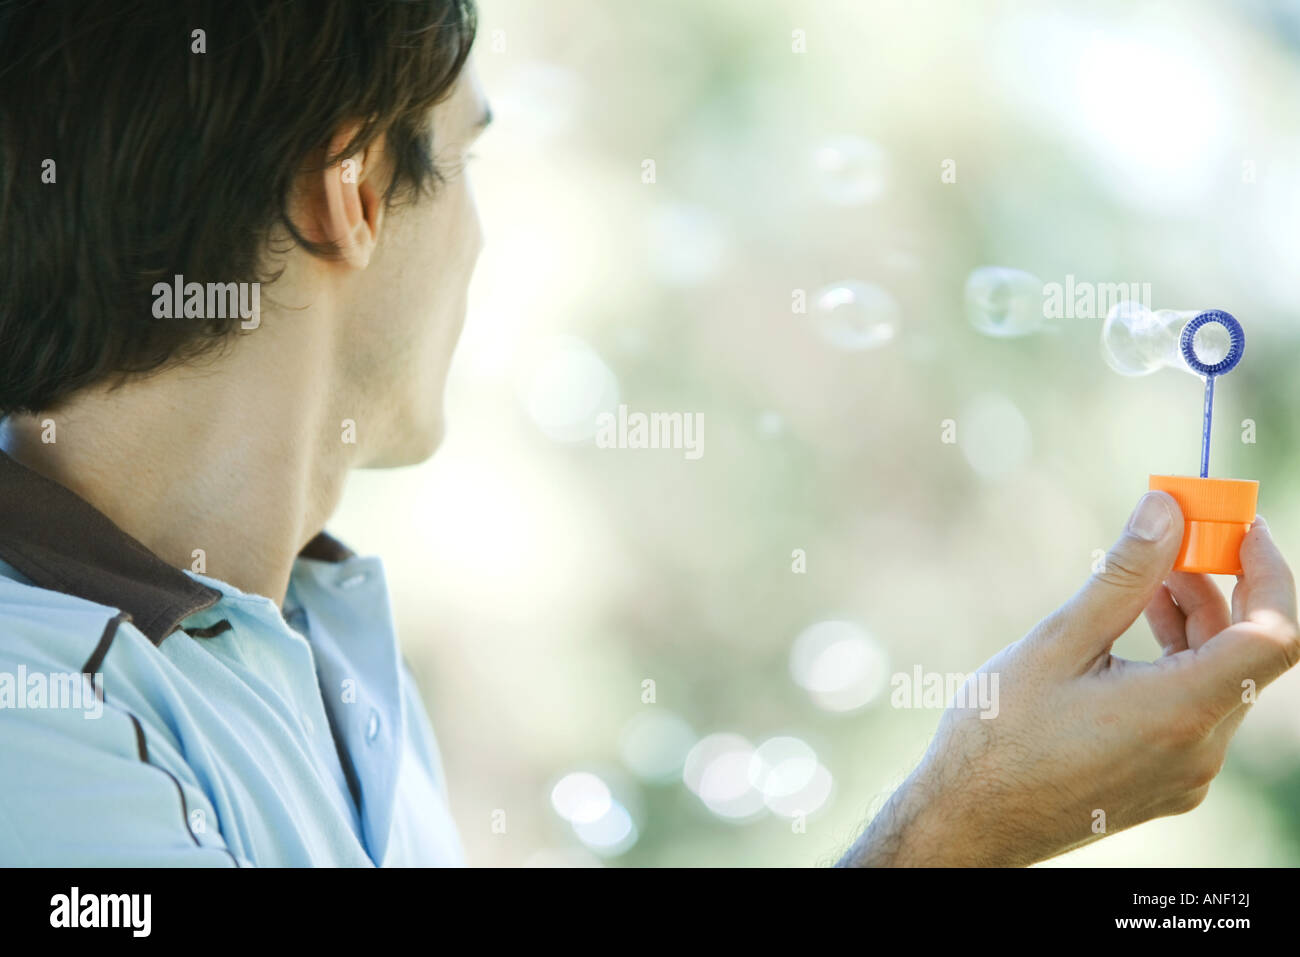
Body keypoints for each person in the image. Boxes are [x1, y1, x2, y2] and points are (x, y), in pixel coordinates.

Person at [0, 0, 1295, 868]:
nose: (486, 239)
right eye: (472, 159)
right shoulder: (37, 724)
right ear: (350, 193)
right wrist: (960, 825)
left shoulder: (309, 641)